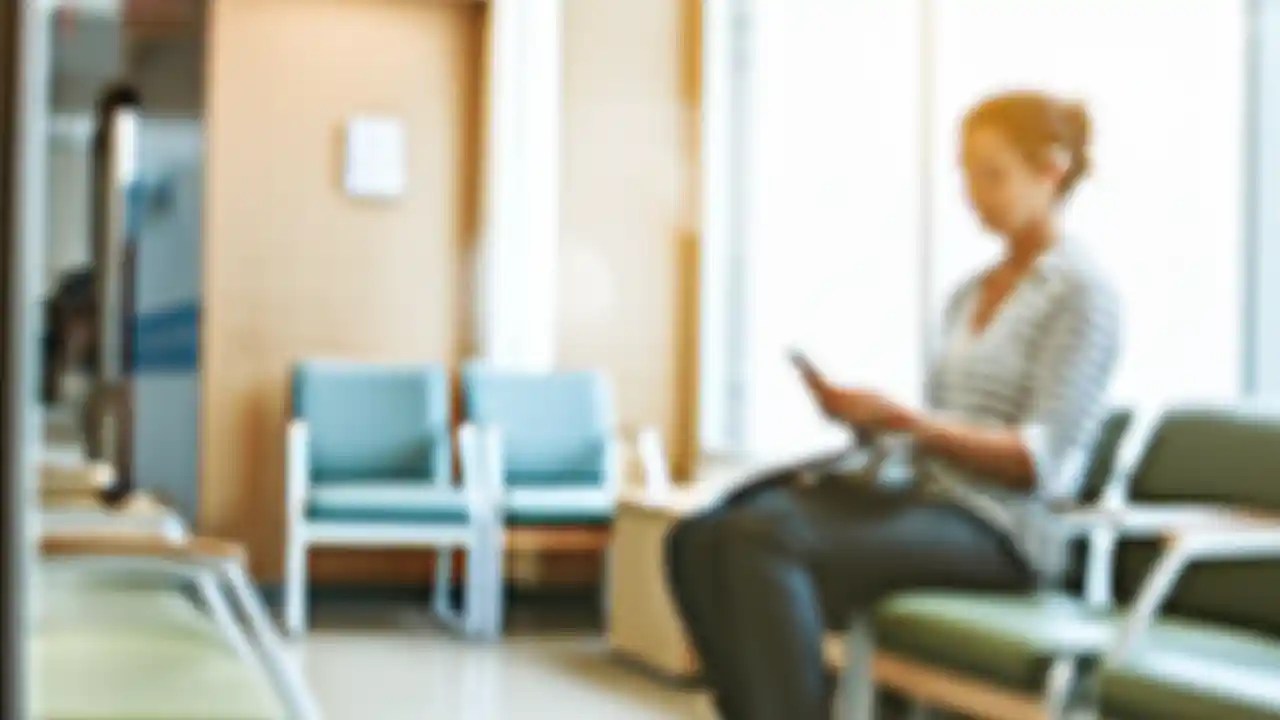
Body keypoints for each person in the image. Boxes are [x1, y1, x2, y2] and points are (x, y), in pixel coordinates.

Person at [666, 90, 1121, 719]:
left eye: (993, 175)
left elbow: (1043, 463)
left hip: (1002, 531)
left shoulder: (1082, 293)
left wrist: (910, 421)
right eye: (966, 174)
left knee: (764, 539)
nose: (974, 194)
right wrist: (872, 425)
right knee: (696, 539)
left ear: (1053, 170)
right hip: (930, 499)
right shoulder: (969, 293)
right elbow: (943, 428)